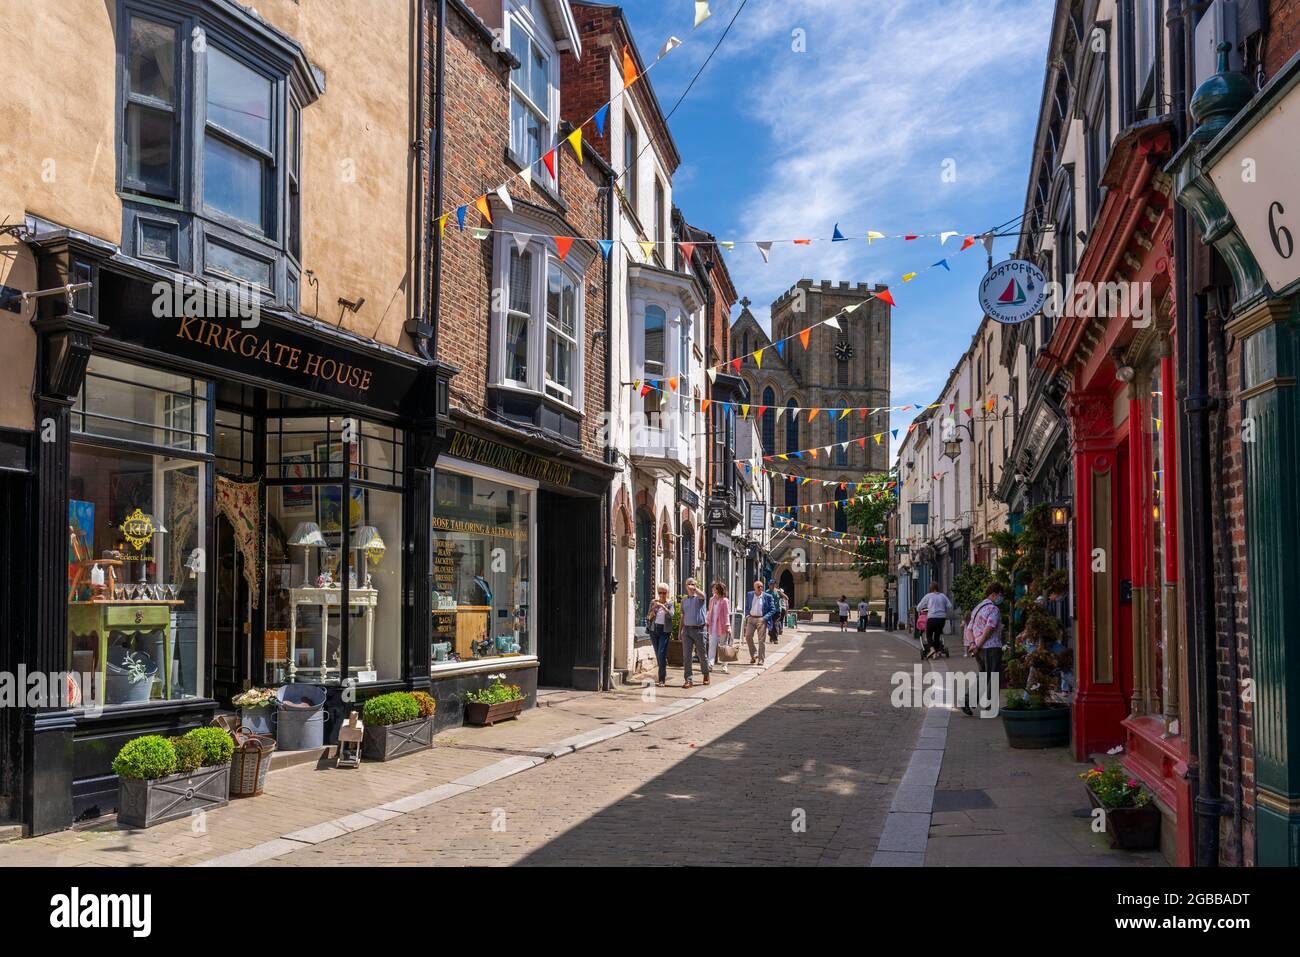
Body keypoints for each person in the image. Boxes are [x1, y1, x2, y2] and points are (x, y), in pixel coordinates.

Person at [964, 582, 1006, 716]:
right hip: (991, 647)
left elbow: (969, 629)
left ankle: (969, 701)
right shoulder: (994, 609)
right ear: (993, 594)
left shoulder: (977, 608)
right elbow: (989, 629)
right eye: (1000, 595)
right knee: (994, 676)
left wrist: (972, 644)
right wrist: (978, 645)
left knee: (984, 676)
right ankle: (988, 706)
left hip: (978, 648)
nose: (1001, 598)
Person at [678, 577, 710, 688]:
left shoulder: (700, 598)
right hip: (687, 630)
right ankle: (688, 679)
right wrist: (680, 631)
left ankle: (706, 674)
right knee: (686, 656)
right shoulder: (684, 601)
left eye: (693, 584)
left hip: (699, 630)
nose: (691, 586)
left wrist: (695, 589)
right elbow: (682, 617)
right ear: (686, 586)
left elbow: (703, 595)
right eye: (689, 584)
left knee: (702, 655)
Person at [742, 580, 777, 665]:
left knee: (761, 640)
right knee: (748, 636)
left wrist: (765, 618)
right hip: (751, 619)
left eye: (761, 586)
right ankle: (754, 654)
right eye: (758, 586)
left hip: (762, 620)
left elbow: (773, 609)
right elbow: (747, 606)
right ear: (754, 587)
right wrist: (747, 616)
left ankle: (761, 659)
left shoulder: (768, 596)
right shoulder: (750, 595)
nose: (760, 588)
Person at [646, 583, 674, 687]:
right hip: (654, 630)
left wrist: (663, 606)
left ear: (667, 593)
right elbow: (648, 617)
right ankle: (663, 666)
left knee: (661, 654)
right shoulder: (653, 602)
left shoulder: (670, 603)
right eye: (660, 592)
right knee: (658, 655)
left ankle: (661, 679)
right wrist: (653, 610)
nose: (662, 595)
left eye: (664, 593)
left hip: (664, 631)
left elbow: (671, 615)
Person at [915, 582, 953, 659]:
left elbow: (918, 607)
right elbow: (950, 605)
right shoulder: (943, 596)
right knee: (937, 635)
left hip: (932, 618)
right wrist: (943, 608)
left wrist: (924, 608)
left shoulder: (928, 596)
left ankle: (932, 649)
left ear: (930, 588)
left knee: (928, 634)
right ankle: (936, 652)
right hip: (941, 619)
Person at [706, 581, 732, 674]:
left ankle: (724, 665)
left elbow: (726, 614)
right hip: (713, 626)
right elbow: (709, 611)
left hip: (722, 626)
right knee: (712, 646)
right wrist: (707, 621)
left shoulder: (724, 600)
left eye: (715, 588)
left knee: (723, 646)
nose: (713, 589)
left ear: (718, 589)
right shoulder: (711, 599)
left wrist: (728, 626)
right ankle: (710, 664)